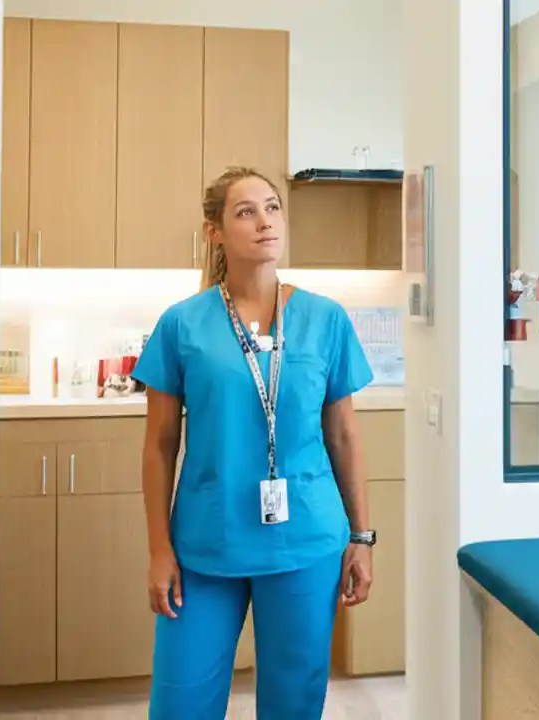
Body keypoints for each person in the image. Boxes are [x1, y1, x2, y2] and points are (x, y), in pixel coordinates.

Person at [133, 166, 378, 719]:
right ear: (214, 231)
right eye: (246, 211)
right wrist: (158, 550)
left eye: (273, 207)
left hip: (306, 542)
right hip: (204, 546)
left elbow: (343, 434)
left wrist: (361, 536)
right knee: (181, 703)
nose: (265, 221)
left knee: (294, 702)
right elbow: (159, 446)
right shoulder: (182, 325)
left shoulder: (325, 319)